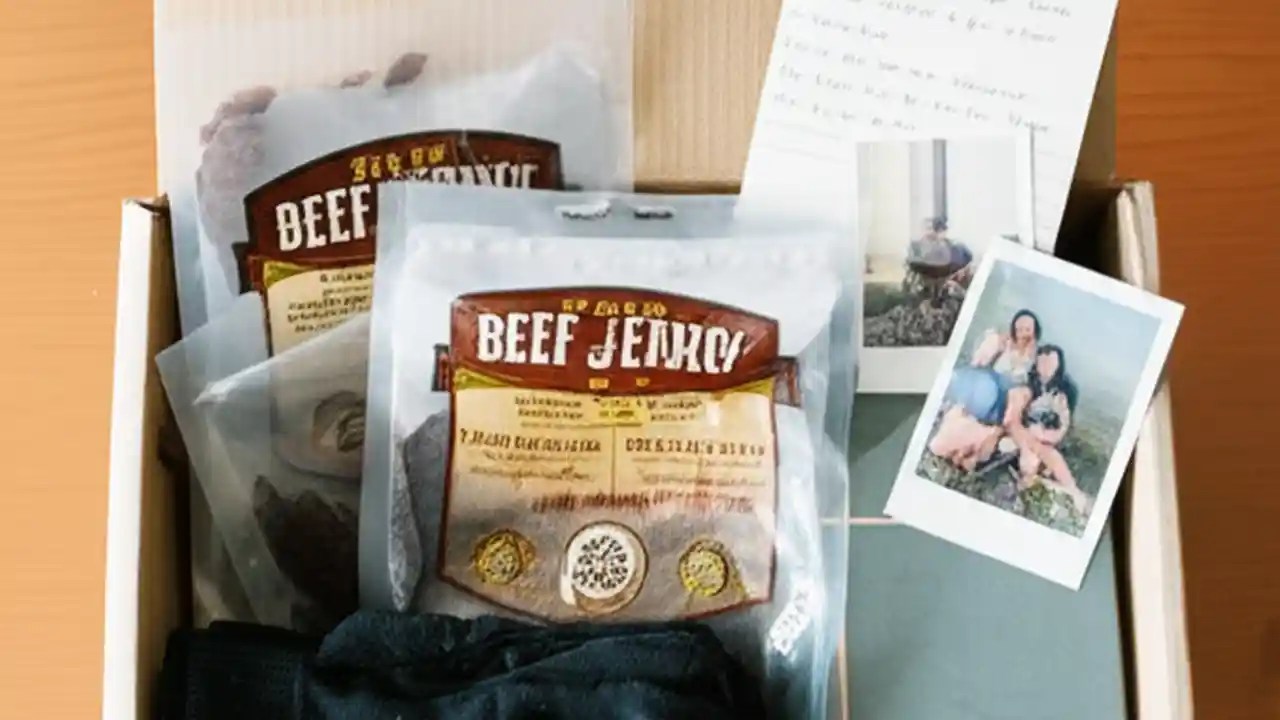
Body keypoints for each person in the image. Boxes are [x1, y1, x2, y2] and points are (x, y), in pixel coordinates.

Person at [927, 310, 1041, 470]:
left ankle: (973, 449)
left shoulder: (1034, 361)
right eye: (1019, 328)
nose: (1022, 333)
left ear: (1035, 332)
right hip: (984, 392)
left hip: (1003, 405)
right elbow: (980, 366)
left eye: (1028, 329)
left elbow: (1026, 393)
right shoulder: (1003, 345)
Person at [1000, 345, 1092, 513]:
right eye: (1043, 363)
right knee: (1035, 458)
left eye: (1052, 364)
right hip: (1016, 436)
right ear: (1036, 363)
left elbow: (1063, 427)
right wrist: (1029, 444)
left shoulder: (1063, 393)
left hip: (1044, 442)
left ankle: (1071, 493)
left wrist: (1046, 436)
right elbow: (1011, 423)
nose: (1047, 368)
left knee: (1045, 455)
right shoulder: (1024, 386)